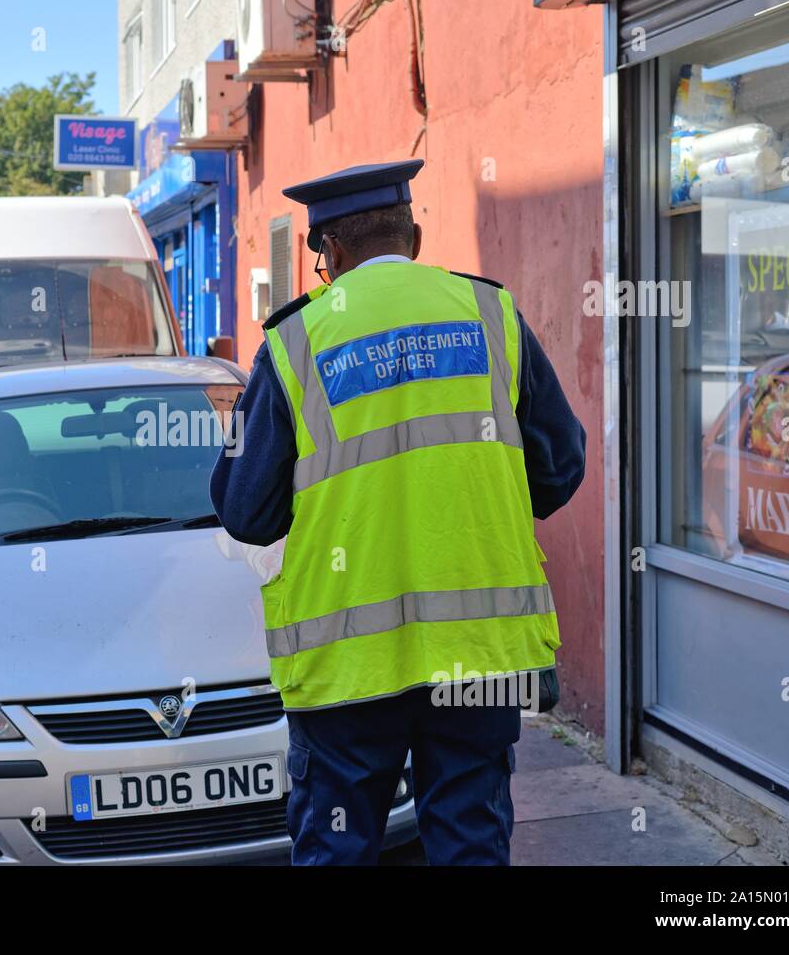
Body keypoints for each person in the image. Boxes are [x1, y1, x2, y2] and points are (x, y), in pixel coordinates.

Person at [210, 160, 586, 865]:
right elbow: (561, 468)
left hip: (349, 665)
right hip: (479, 659)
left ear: (331, 255)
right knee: (470, 845)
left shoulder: (295, 343)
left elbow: (244, 512)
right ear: (414, 235)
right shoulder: (490, 312)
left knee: (339, 850)